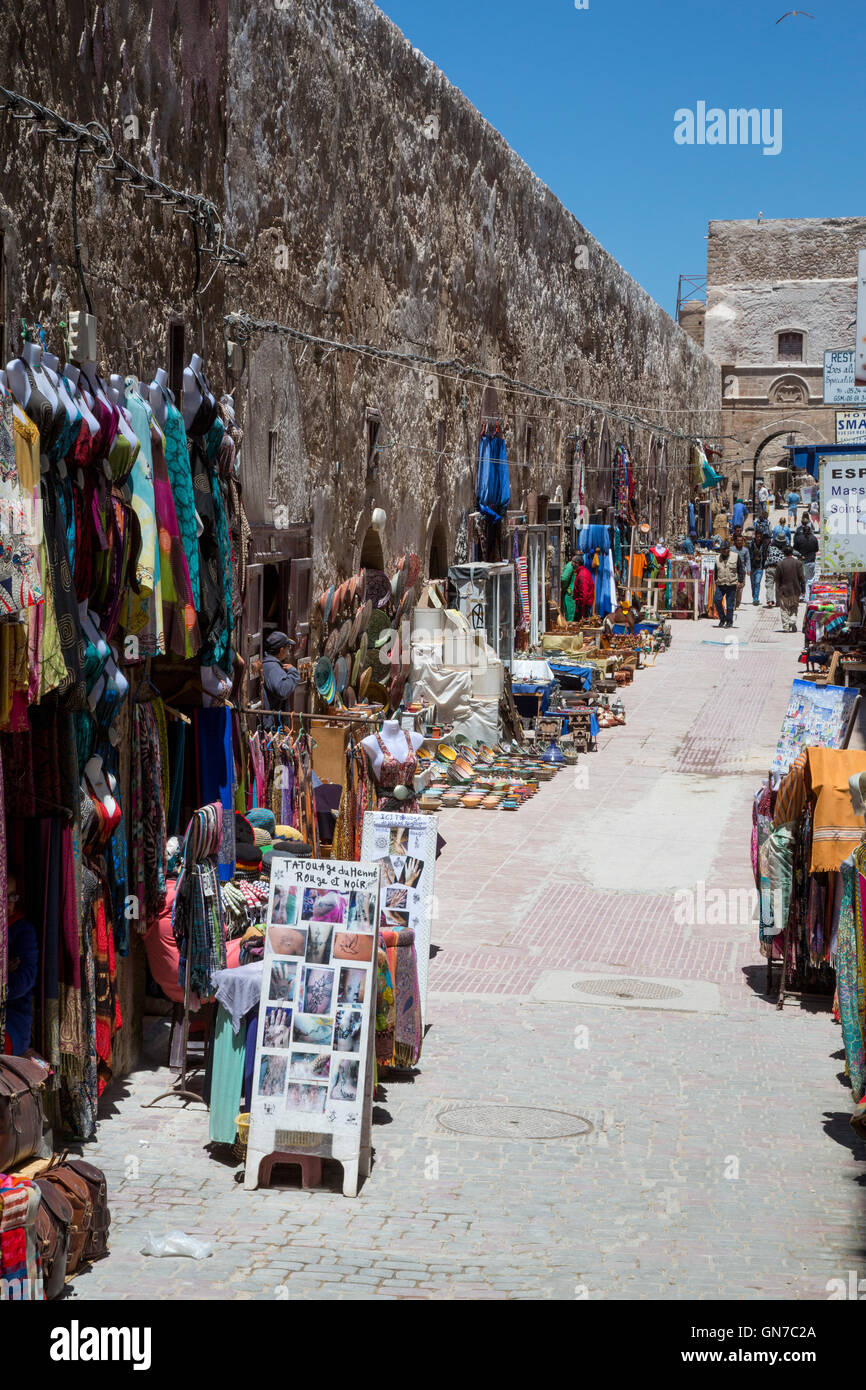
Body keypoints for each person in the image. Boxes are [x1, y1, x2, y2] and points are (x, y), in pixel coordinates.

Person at [262, 631, 299, 729]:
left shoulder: (269, 665)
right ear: (281, 650)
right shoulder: (273, 668)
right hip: (272, 724)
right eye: (288, 647)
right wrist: (293, 673)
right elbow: (283, 690)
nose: (289, 651)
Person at [713, 539, 743, 628]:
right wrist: (716, 581)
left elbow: (740, 569)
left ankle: (729, 621)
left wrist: (740, 581)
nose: (723, 551)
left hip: (731, 583)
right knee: (717, 600)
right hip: (721, 583)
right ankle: (722, 618)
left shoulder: (736, 556)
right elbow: (715, 571)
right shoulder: (717, 558)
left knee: (730, 604)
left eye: (724, 549)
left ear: (728, 549)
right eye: (721, 549)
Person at [775, 545, 805, 633]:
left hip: (784, 591)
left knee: (784, 609)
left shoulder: (780, 564)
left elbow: (777, 579)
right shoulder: (798, 563)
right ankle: (792, 620)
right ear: (792, 552)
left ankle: (786, 627)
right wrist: (803, 590)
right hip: (795, 590)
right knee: (794, 607)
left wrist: (778, 590)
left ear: (784, 553)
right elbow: (802, 578)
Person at [793, 510, 819, 590]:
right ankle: (807, 592)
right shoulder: (810, 524)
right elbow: (816, 549)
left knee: (801, 575)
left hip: (801, 555)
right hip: (810, 555)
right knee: (809, 577)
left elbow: (795, 538)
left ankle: (802, 591)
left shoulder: (799, 527)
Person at [747, 528, 769, 605]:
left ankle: (756, 598)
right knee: (753, 583)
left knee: (757, 582)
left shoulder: (764, 545)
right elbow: (748, 556)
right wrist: (748, 567)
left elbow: (766, 555)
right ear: (755, 536)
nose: (758, 538)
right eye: (757, 536)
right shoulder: (751, 545)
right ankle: (754, 596)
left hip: (760, 567)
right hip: (752, 567)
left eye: (760, 537)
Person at [763, 534, 785, 608]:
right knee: (779, 585)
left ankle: (770, 600)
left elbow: (767, 555)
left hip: (770, 567)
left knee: (769, 585)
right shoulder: (784, 549)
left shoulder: (770, 547)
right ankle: (778, 602)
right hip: (780, 568)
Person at [732, 531, 750, 608]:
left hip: (741, 571)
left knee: (740, 588)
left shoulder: (745, 550)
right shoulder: (731, 549)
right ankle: (732, 603)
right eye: (738, 540)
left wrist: (748, 569)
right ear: (735, 541)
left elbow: (748, 560)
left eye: (741, 540)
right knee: (733, 588)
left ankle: (737, 604)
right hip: (733, 571)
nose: (739, 542)